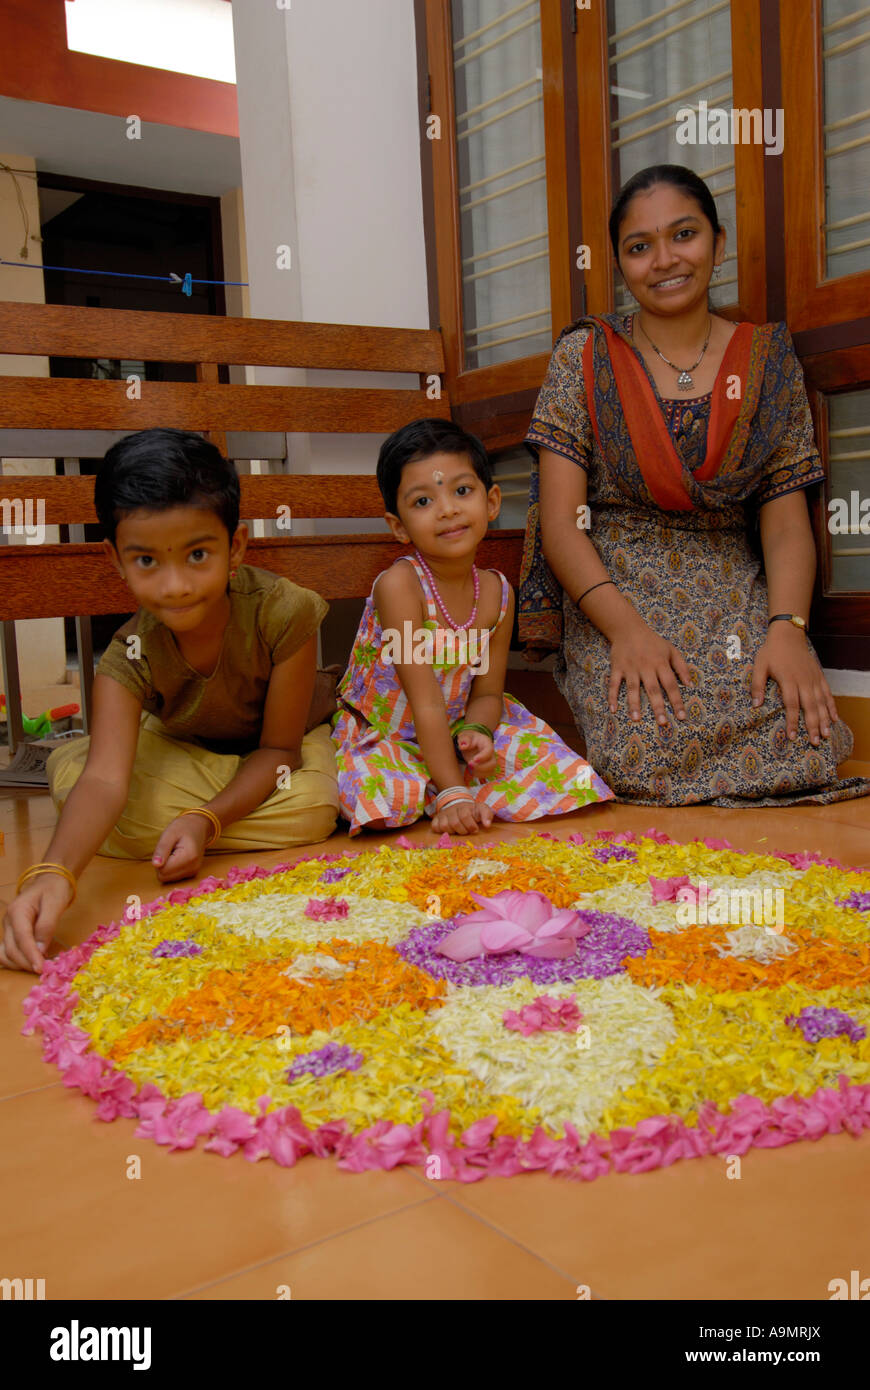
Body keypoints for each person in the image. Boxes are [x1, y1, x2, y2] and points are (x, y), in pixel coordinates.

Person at [519, 163, 870, 807]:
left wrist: (788, 629)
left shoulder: (764, 360)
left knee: (806, 740)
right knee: (646, 754)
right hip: (615, 581)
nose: (665, 260)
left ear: (718, 241)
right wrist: (625, 631)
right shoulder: (587, 358)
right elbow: (561, 523)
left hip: (730, 580)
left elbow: (785, 518)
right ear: (621, 264)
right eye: (639, 246)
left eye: (683, 234)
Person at [1, 428, 340, 972]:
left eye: (198, 554)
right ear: (115, 559)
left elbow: (280, 751)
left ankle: (182, 819)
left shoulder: (284, 611)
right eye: (147, 562)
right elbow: (106, 780)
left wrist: (205, 819)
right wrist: (53, 874)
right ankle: (163, 809)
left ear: (237, 547)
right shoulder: (128, 654)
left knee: (313, 807)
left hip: (282, 748)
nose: (176, 585)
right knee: (84, 780)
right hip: (185, 746)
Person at [331, 417, 613, 836]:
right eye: (423, 502)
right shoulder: (400, 587)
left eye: (462, 491)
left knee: (560, 768)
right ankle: (446, 791)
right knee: (383, 797)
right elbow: (424, 702)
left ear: (492, 501)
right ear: (399, 527)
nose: (447, 510)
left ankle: (451, 783)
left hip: (456, 728)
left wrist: (478, 733)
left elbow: (486, 693)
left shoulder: (499, 593)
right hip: (387, 734)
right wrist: (453, 790)